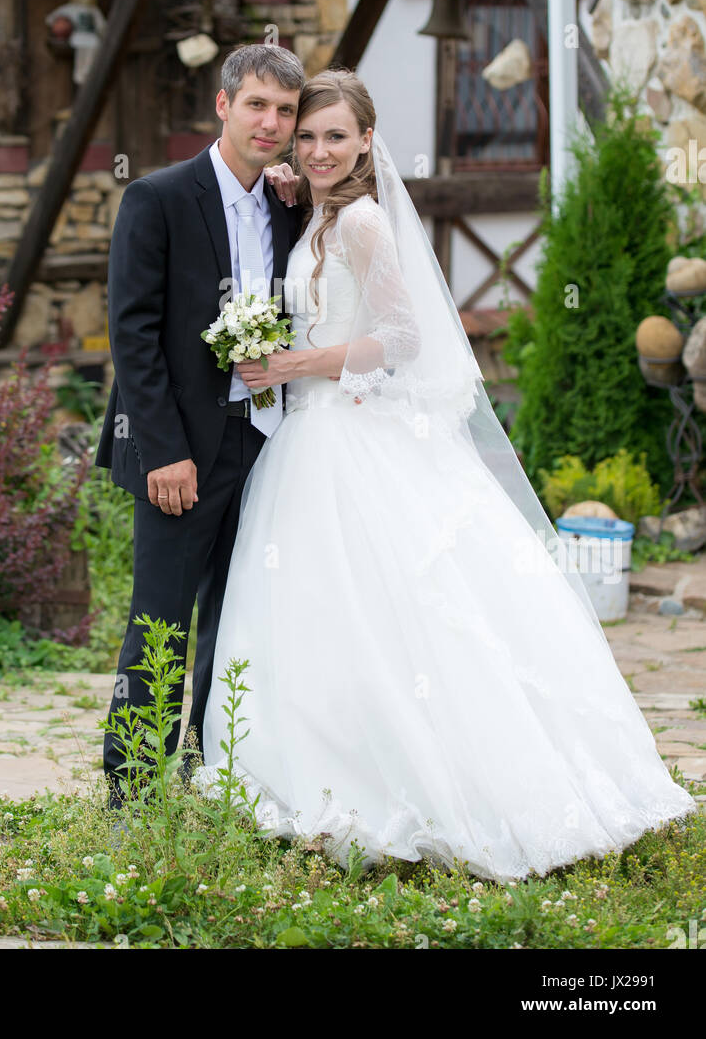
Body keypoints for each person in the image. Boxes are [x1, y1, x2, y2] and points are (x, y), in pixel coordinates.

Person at [191, 68, 698, 882]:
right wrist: (292, 188)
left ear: (366, 140)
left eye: (335, 136)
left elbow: (403, 339)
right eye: (307, 136)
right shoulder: (316, 212)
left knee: (397, 612)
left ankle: (434, 785)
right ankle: (309, 771)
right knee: (319, 615)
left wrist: (298, 361)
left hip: (351, 435)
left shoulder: (362, 224)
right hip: (310, 439)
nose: (319, 150)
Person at [95, 44, 305, 810]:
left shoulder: (291, 202)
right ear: (223, 105)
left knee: (237, 613)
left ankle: (210, 772)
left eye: (284, 110)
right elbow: (133, 334)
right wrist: (164, 451)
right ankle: (133, 789)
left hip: (267, 444)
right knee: (160, 617)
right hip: (178, 451)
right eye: (256, 105)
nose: (271, 122)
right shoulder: (157, 198)